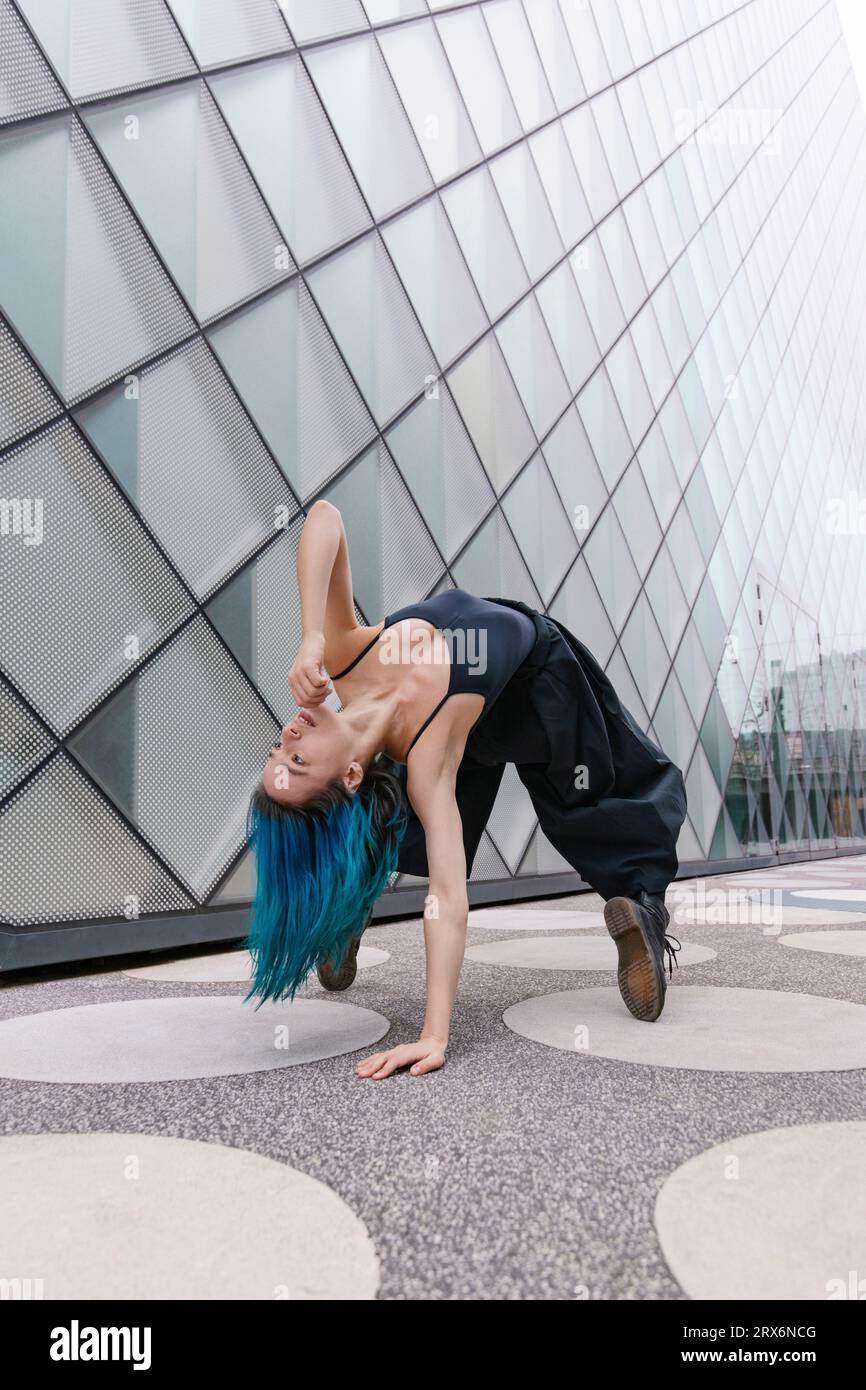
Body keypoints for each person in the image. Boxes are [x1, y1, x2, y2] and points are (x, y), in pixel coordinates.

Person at [246, 500, 688, 1079]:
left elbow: (326, 516)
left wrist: (309, 636)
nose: (288, 735)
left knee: (421, 804)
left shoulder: (344, 661)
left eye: (277, 751)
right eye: (297, 760)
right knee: (602, 781)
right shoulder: (427, 761)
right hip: (537, 687)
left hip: (510, 684)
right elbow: (447, 898)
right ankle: (644, 900)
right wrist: (434, 1035)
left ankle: (637, 911)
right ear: (346, 775)